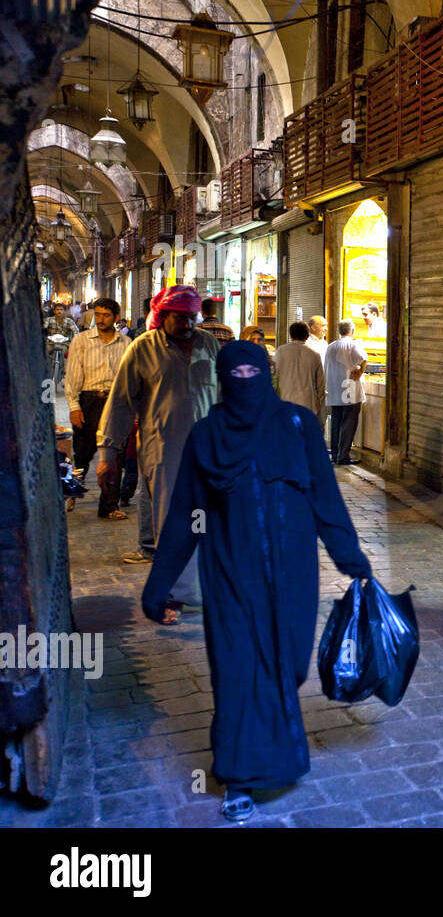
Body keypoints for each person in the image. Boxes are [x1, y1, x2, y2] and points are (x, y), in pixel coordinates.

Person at [139, 340, 372, 822]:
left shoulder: (298, 424)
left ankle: (281, 757)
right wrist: (159, 582)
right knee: (239, 669)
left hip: (293, 574)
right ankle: (240, 776)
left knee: (287, 667)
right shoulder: (207, 435)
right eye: (235, 371)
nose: (244, 378)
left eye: (253, 370)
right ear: (224, 379)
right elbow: (187, 515)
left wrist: (351, 557)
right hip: (230, 574)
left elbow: (325, 497)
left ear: (265, 374)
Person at [97, 285, 220, 620]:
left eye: (191, 317)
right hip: (164, 452)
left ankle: (201, 588)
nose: (187, 323)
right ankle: (174, 593)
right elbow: (121, 402)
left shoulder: (209, 345)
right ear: (163, 316)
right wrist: (108, 454)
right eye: (179, 317)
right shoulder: (143, 349)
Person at [64, 297, 130, 519]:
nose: (100, 319)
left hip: (115, 403)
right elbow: (73, 376)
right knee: (83, 452)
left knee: (115, 455)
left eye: (106, 315)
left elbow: (129, 378)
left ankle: (109, 506)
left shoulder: (125, 343)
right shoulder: (81, 341)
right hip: (89, 401)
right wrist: (74, 407)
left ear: (116, 318)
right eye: (98, 314)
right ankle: (72, 492)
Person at [323, 320, 367, 465]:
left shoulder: (330, 346)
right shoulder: (353, 344)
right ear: (352, 330)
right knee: (349, 423)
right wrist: (361, 371)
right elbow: (364, 358)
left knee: (336, 423)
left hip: (334, 390)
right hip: (349, 390)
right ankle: (343, 456)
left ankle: (335, 455)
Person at [273, 322, 325, 419]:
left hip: (286, 401)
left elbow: (275, 376)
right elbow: (321, 384)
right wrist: (319, 400)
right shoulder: (314, 355)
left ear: (291, 335)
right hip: (308, 404)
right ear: (307, 336)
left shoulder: (280, 352)